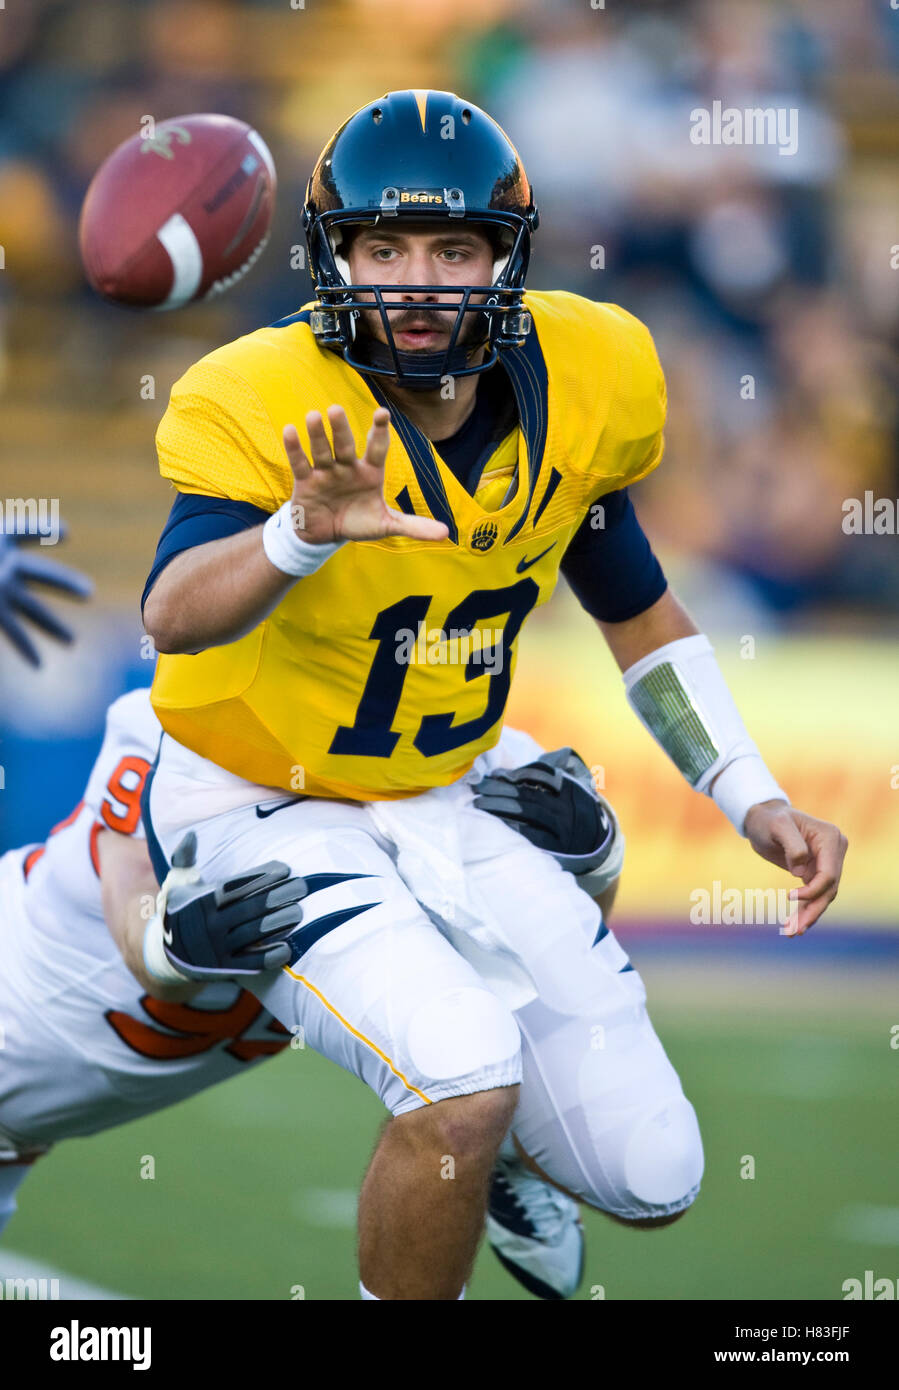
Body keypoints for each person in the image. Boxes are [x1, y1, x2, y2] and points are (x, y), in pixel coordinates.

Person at [141, 90, 847, 1301]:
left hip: (441, 789)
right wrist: (299, 535)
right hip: (264, 795)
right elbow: (170, 614)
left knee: (653, 1173)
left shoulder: (587, 372)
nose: (417, 282)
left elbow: (635, 608)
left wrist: (751, 797)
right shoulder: (261, 395)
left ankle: (502, 1156)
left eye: (453, 249)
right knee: (461, 1071)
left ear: (505, 260)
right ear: (337, 258)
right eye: (385, 249)